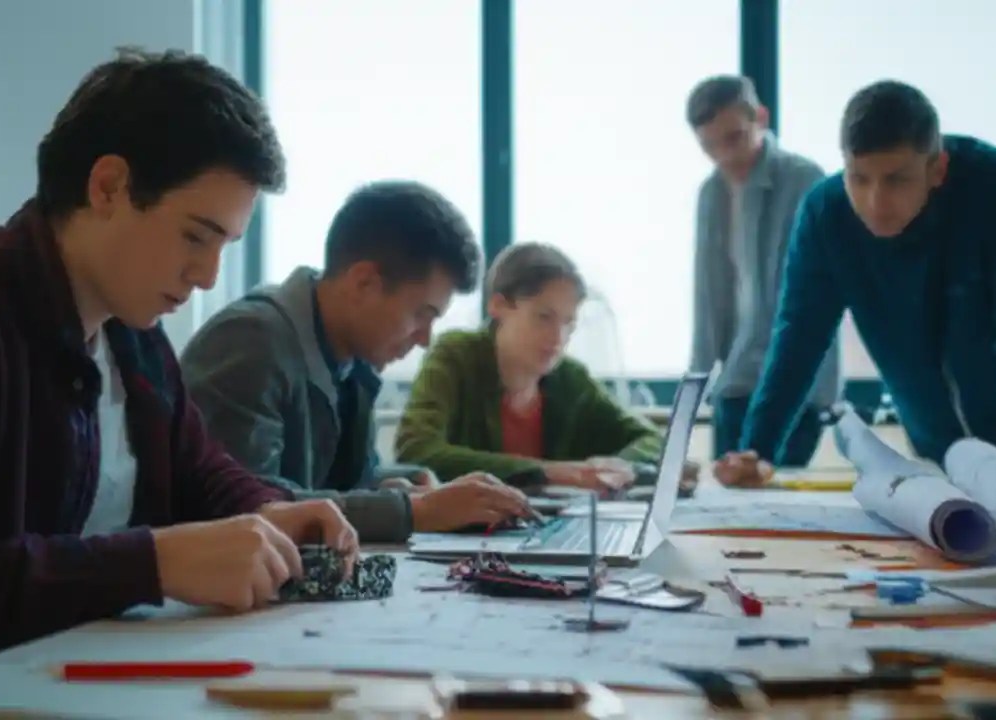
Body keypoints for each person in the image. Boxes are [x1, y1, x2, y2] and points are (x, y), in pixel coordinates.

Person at [0, 49, 359, 717]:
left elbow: (201, 472)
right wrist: (150, 564)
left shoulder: (132, 332)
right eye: (196, 237)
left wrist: (264, 511)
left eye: (225, 246)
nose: (207, 276)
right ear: (108, 186)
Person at [716, 80, 996, 487]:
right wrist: (758, 451)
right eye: (858, 178)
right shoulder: (826, 214)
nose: (875, 202)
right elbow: (798, 337)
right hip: (939, 453)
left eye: (896, 180)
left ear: (937, 169)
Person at [180, 181, 532, 542]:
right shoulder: (249, 341)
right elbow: (247, 508)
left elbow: (334, 485)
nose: (425, 339)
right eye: (421, 314)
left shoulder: (352, 362)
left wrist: (405, 487)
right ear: (364, 283)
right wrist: (419, 511)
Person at [394, 243, 697, 491]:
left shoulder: (569, 378)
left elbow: (653, 440)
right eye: (544, 317)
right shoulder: (455, 355)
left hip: (545, 536)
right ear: (498, 306)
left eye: (569, 323)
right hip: (467, 543)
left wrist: (618, 468)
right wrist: (553, 472)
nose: (558, 338)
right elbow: (416, 450)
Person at [686, 75, 841, 465]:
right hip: (736, 383)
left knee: (775, 508)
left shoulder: (806, 180)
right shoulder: (711, 194)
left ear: (761, 118)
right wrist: (696, 388)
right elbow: (708, 296)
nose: (724, 156)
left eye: (734, 138)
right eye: (709, 146)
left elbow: (819, 297)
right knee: (725, 509)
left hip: (798, 387)